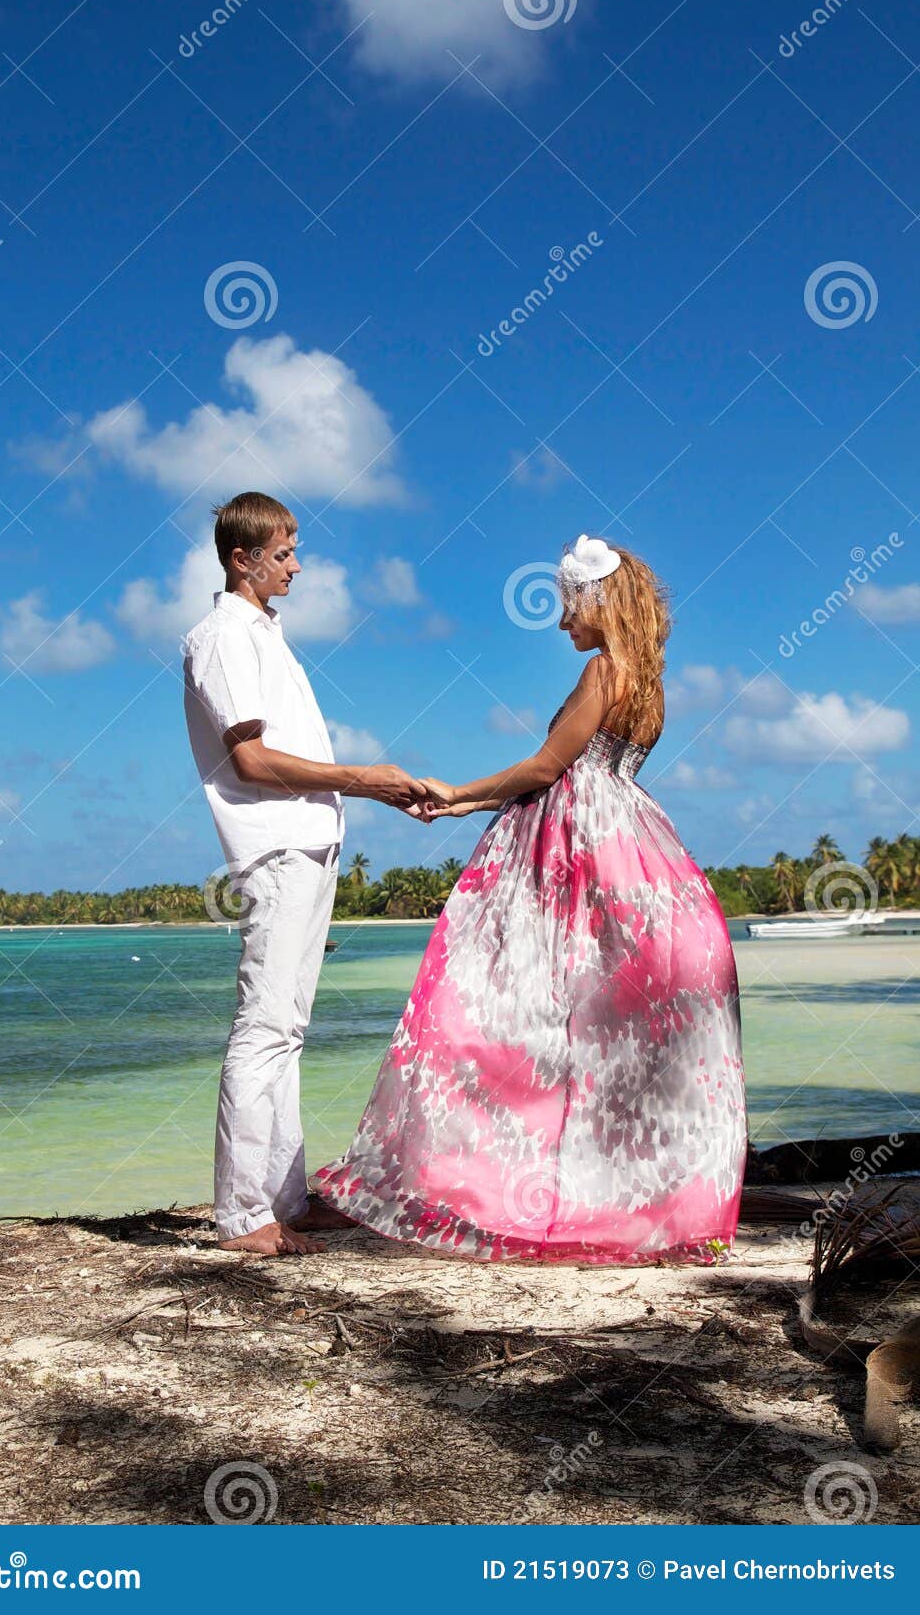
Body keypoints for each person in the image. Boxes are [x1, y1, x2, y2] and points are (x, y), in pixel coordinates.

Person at [312, 535, 748, 1265]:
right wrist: (462, 810)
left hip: (569, 848)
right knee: (600, 1034)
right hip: (630, 842)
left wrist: (456, 794)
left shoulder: (602, 671)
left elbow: (548, 767)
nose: (560, 623)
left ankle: (477, 1185)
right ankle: (627, 1200)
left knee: (497, 1008)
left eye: (568, 606)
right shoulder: (650, 681)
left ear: (598, 602)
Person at [183, 492, 426, 1258]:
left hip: (304, 842)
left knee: (285, 1029)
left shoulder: (263, 634)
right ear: (240, 558)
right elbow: (250, 761)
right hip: (276, 846)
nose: (296, 565)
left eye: (294, 550)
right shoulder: (222, 636)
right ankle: (242, 1215)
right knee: (263, 1029)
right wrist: (363, 778)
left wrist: (361, 790)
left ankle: (284, 1198)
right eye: (282, 553)